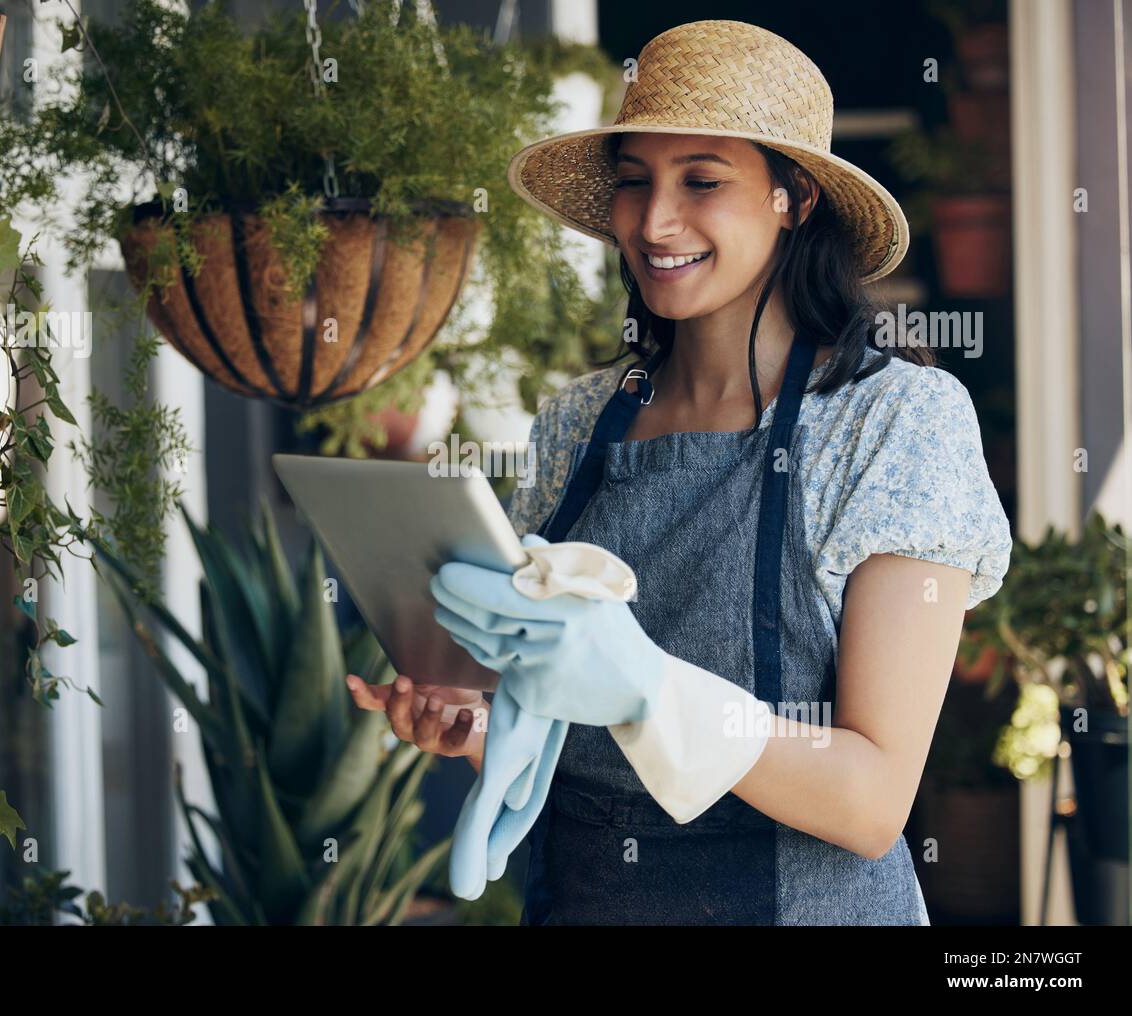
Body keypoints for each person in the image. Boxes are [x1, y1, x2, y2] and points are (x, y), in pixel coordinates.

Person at [347, 18, 1012, 925]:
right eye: (634, 181)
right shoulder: (579, 422)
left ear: (796, 199)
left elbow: (870, 801)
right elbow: (569, 727)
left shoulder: (894, 423)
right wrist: (482, 721)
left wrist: (648, 687)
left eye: (703, 181)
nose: (655, 222)